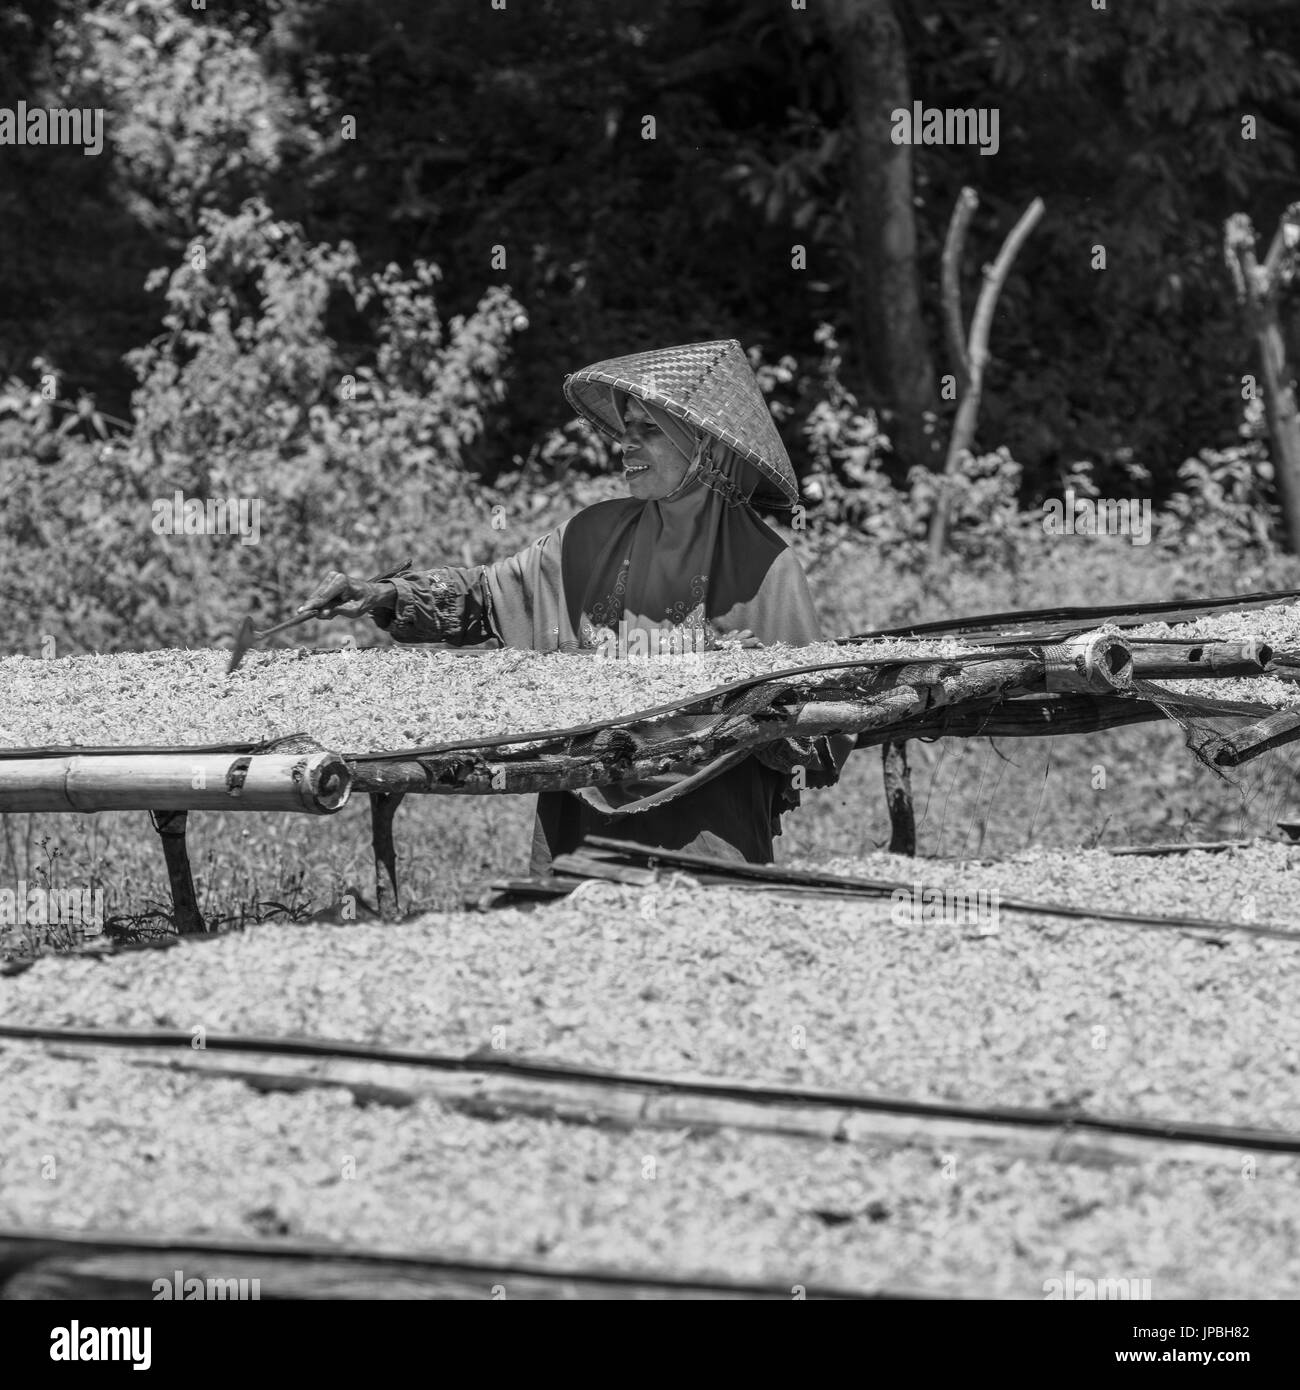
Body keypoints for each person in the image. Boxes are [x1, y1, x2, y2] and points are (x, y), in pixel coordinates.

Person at [301, 339, 851, 874]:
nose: (627, 445)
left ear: (703, 447)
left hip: (707, 818)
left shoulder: (766, 567)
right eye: (626, 428)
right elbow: (489, 594)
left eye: (649, 430)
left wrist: (747, 689)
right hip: (582, 799)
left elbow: (812, 734)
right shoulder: (590, 536)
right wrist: (386, 595)